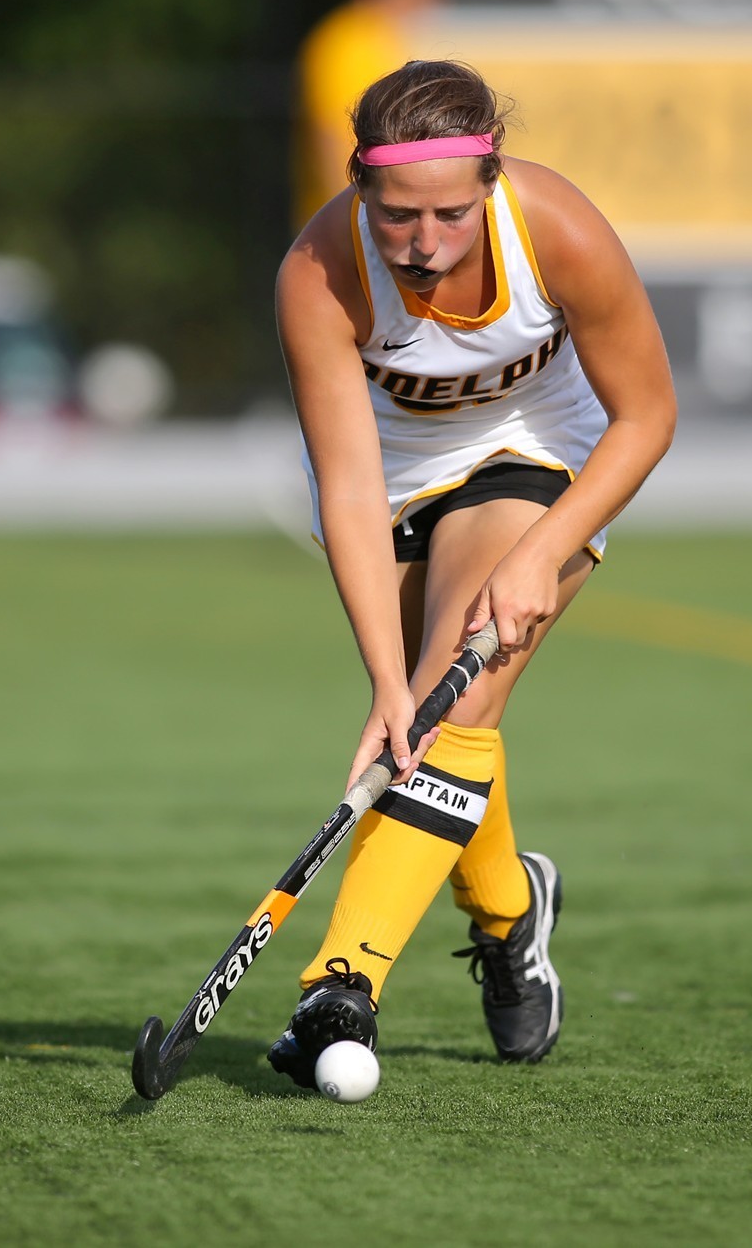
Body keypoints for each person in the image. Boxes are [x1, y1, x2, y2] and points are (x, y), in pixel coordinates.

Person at [268, 59, 676, 1085]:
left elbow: (648, 414)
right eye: (397, 214)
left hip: (538, 451)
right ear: (362, 188)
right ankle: (506, 910)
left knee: (461, 680)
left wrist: (542, 548)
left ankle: (340, 984)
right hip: (396, 483)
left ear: (488, 180)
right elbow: (349, 488)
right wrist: (379, 681)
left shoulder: (555, 232)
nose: (423, 242)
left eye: (449, 213)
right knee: (436, 712)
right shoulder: (319, 272)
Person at [291, 0, 443, 230]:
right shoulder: (351, 39)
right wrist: (351, 213)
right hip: (356, 217)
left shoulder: (372, 39)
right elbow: (334, 131)